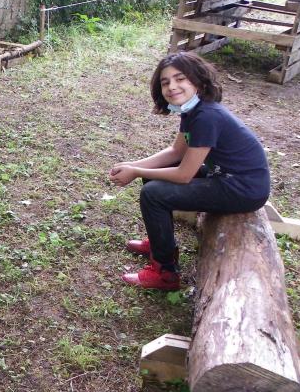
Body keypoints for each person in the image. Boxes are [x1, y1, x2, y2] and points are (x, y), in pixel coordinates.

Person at [109, 52, 270, 291]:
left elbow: (184, 174)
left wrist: (136, 171)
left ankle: (165, 273)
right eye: (165, 82)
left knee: (153, 194)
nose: (172, 86)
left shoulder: (207, 116)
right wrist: (134, 165)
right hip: (226, 176)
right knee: (152, 175)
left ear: (197, 80)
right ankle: (160, 244)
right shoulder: (192, 111)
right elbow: (176, 151)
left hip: (244, 189)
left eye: (180, 78)